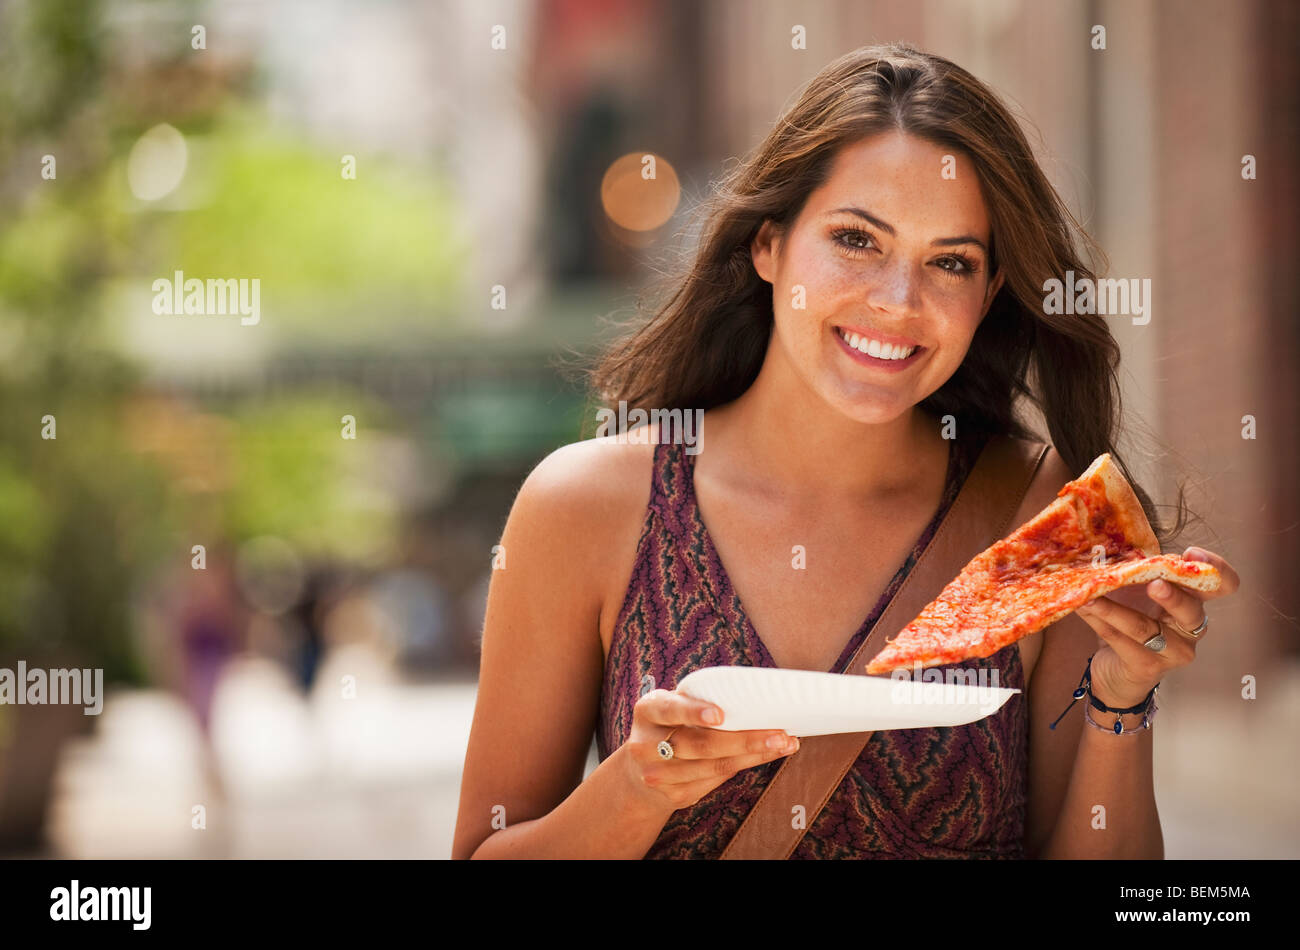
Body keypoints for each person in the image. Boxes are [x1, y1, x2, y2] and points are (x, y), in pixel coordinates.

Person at [451, 43, 1240, 859]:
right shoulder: (585, 507)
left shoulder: (1042, 515)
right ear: (769, 246)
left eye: (949, 262)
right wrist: (637, 787)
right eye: (857, 240)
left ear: (989, 293)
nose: (899, 303)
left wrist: (1119, 703)